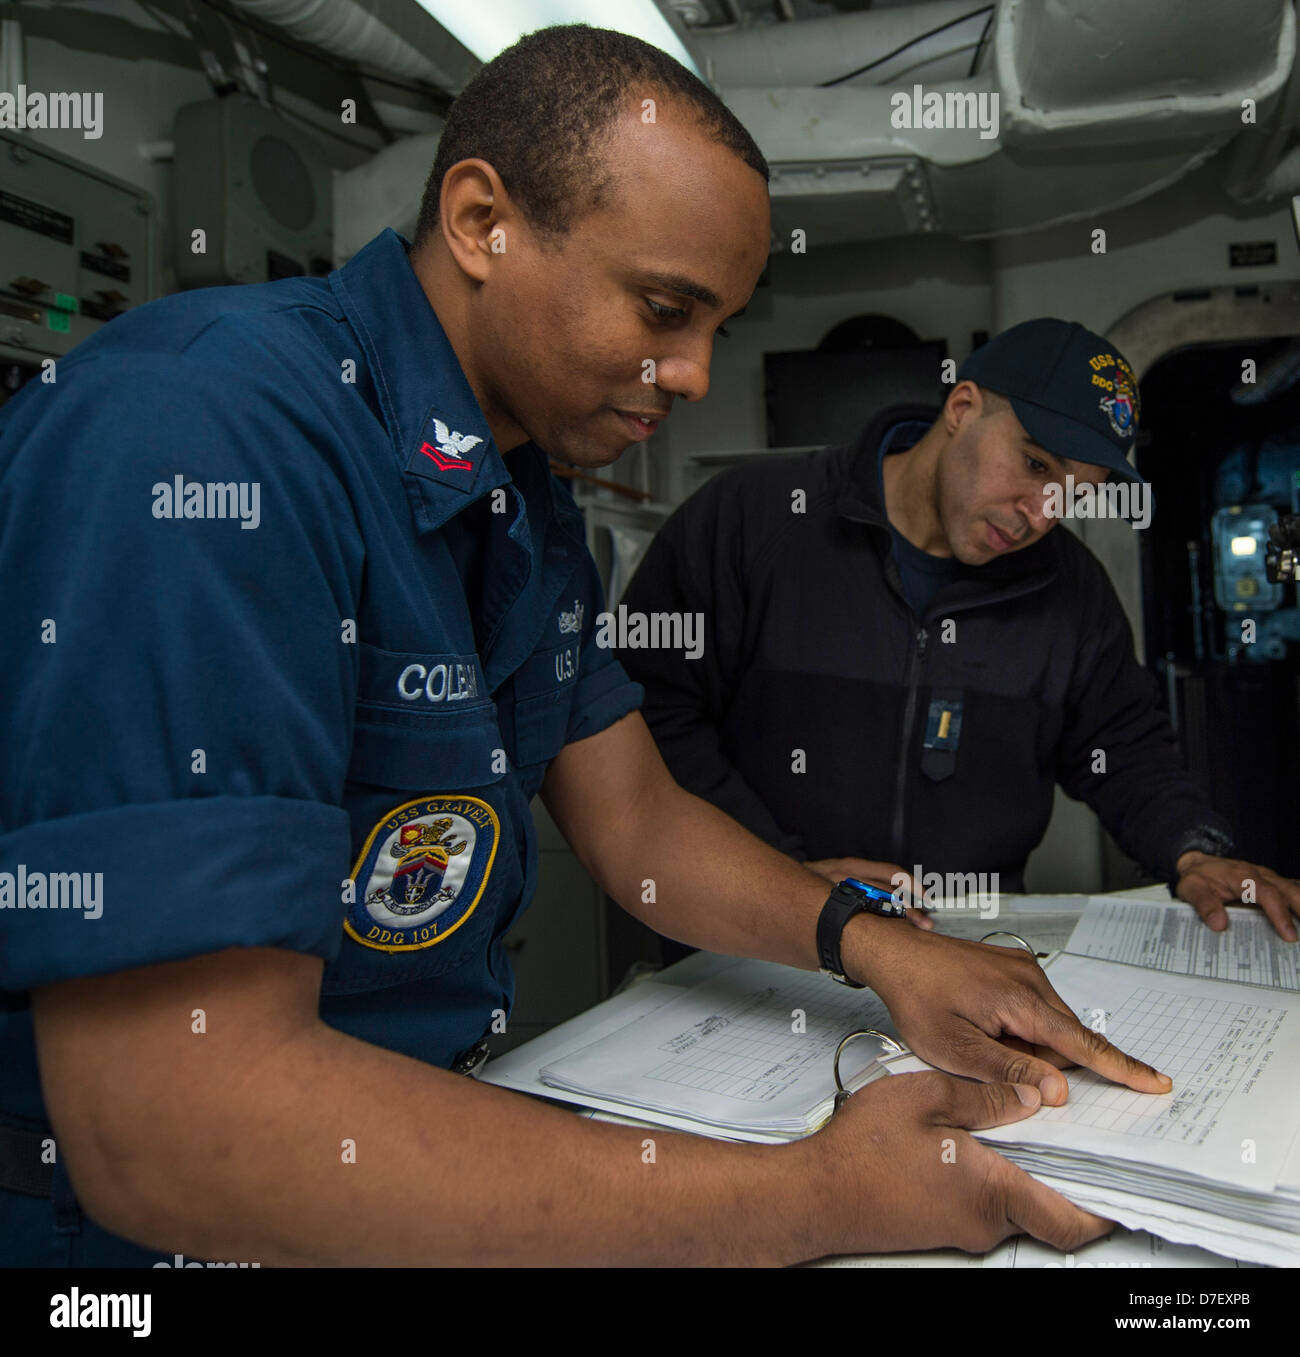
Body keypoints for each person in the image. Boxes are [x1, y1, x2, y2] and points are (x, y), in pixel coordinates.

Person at [0, 26, 1170, 1269]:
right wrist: (822, 1195)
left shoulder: (522, 492)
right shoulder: (204, 436)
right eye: (665, 309)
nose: (694, 372)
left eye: (718, 323)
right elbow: (179, 1128)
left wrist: (881, 948)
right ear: (479, 220)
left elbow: (637, 824)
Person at [619, 319, 1300, 941]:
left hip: (961, 946)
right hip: (749, 929)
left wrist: (1193, 851)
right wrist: (781, 876)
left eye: (1075, 492)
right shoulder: (751, 519)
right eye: (1035, 465)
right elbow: (648, 710)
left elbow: (1123, 744)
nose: (1042, 511)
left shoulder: (1072, 589)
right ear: (963, 407)